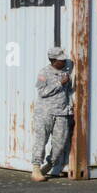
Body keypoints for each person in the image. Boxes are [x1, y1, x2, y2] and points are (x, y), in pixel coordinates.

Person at [31, 46, 73, 181]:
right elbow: (42, 92)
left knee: (60, 144)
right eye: (61, 60)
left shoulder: (66, 71)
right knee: (41, 140)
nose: (64, 61)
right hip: (45, 113)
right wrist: (59, 83)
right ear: (53, 60)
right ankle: (36, 169)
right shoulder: (44, 72)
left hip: (62, 113)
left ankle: (48, 166)